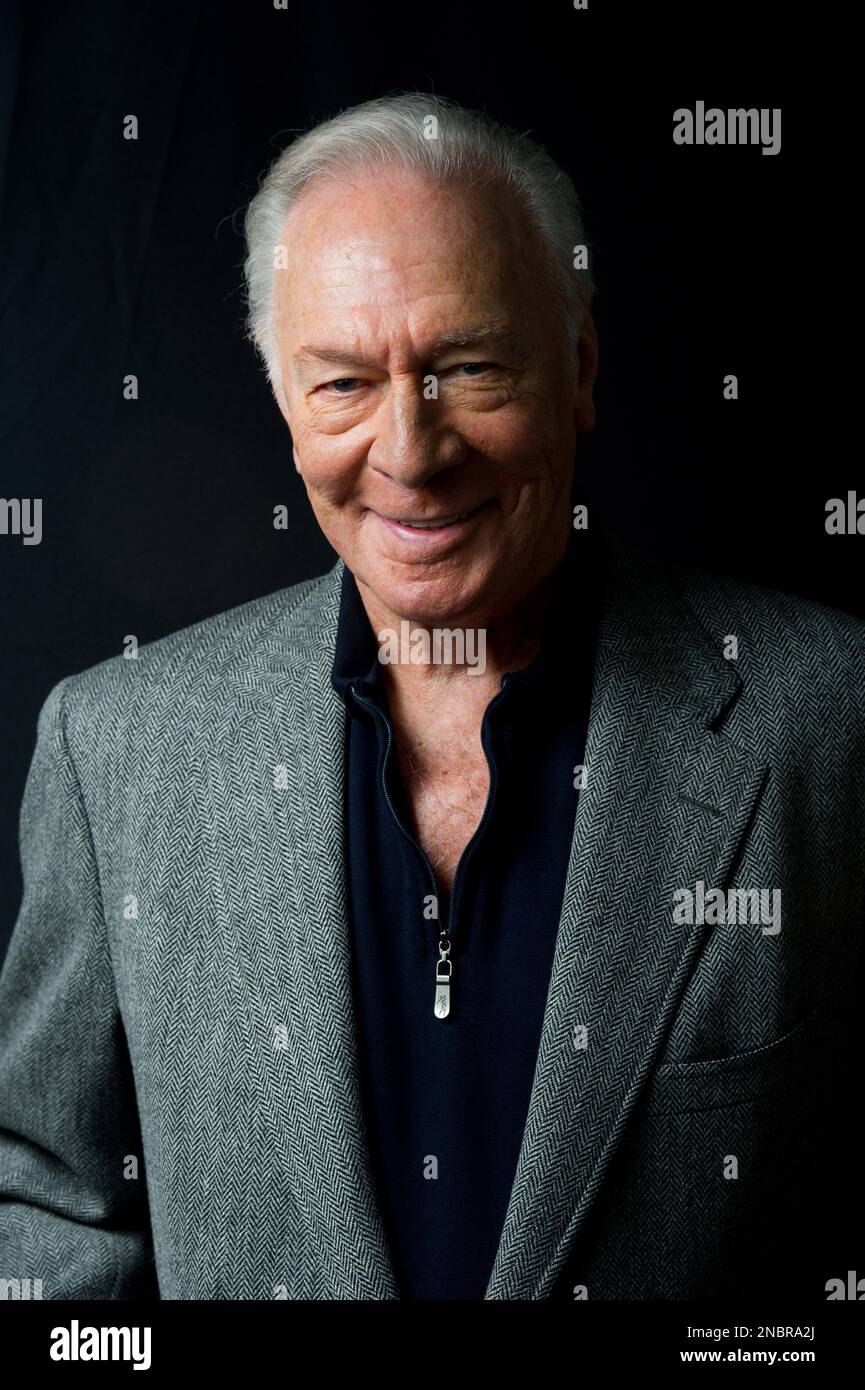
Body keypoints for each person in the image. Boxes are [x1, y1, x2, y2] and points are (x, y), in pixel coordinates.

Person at [0, 93, 861, 1301]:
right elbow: (46, 1200)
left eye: (468, 367)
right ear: (283, 400)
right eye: (343, 383)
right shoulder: (114, 750)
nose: (409, 452)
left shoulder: (832, 718)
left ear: (579, 367)